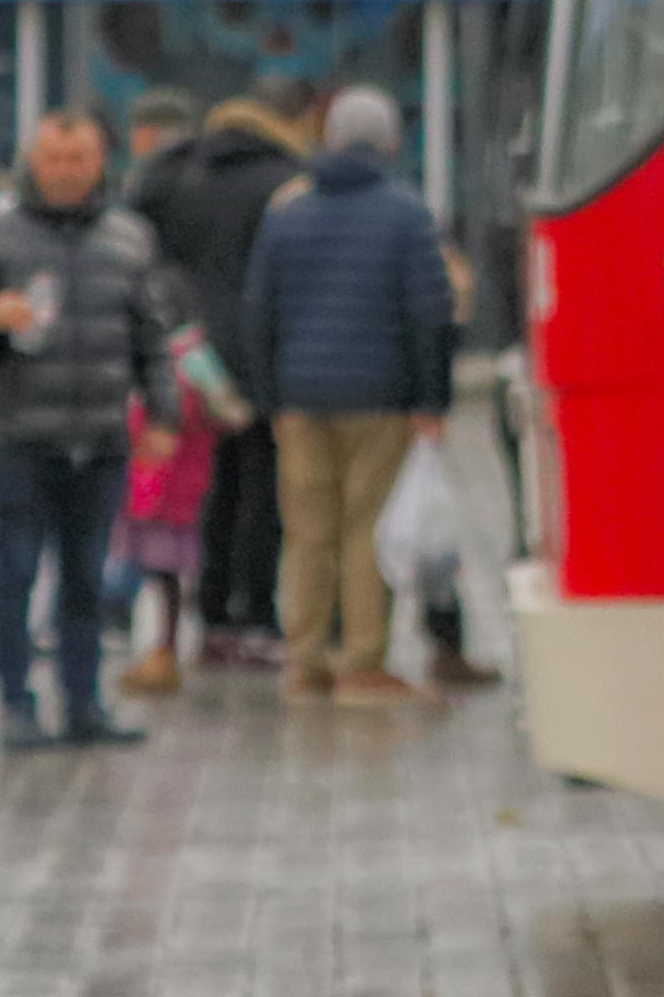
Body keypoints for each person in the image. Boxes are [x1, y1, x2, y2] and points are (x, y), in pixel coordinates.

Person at [0, 107, 173, 748]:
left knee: (86, 578)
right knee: (15, 569)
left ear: (100, 163)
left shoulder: (128, 236)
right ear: (32, 161)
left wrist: (163, 410)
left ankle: (85, 703)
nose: (65, 173)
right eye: (53, 159)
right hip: (16, 434)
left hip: (99, 437)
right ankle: (15, 703)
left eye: (78, 160)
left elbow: (153, 332)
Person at [237, 84, 454, 702]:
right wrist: (431, 401)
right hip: (380, 400)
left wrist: (272, 397)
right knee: (366, 529)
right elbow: (428, 311)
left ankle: (304, 662)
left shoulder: (289, 212)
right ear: (389, 141)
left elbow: (259, 310)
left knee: (307, 533)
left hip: (301, 402)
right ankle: (363, 660)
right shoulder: (407, 213)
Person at [135, 86, 312, 671]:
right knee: (263, 490)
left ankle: (208, 613)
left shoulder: (179, 176)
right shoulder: (286, 180)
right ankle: (255, 614)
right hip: (265, 352)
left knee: (210, 488)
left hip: (196, 357)